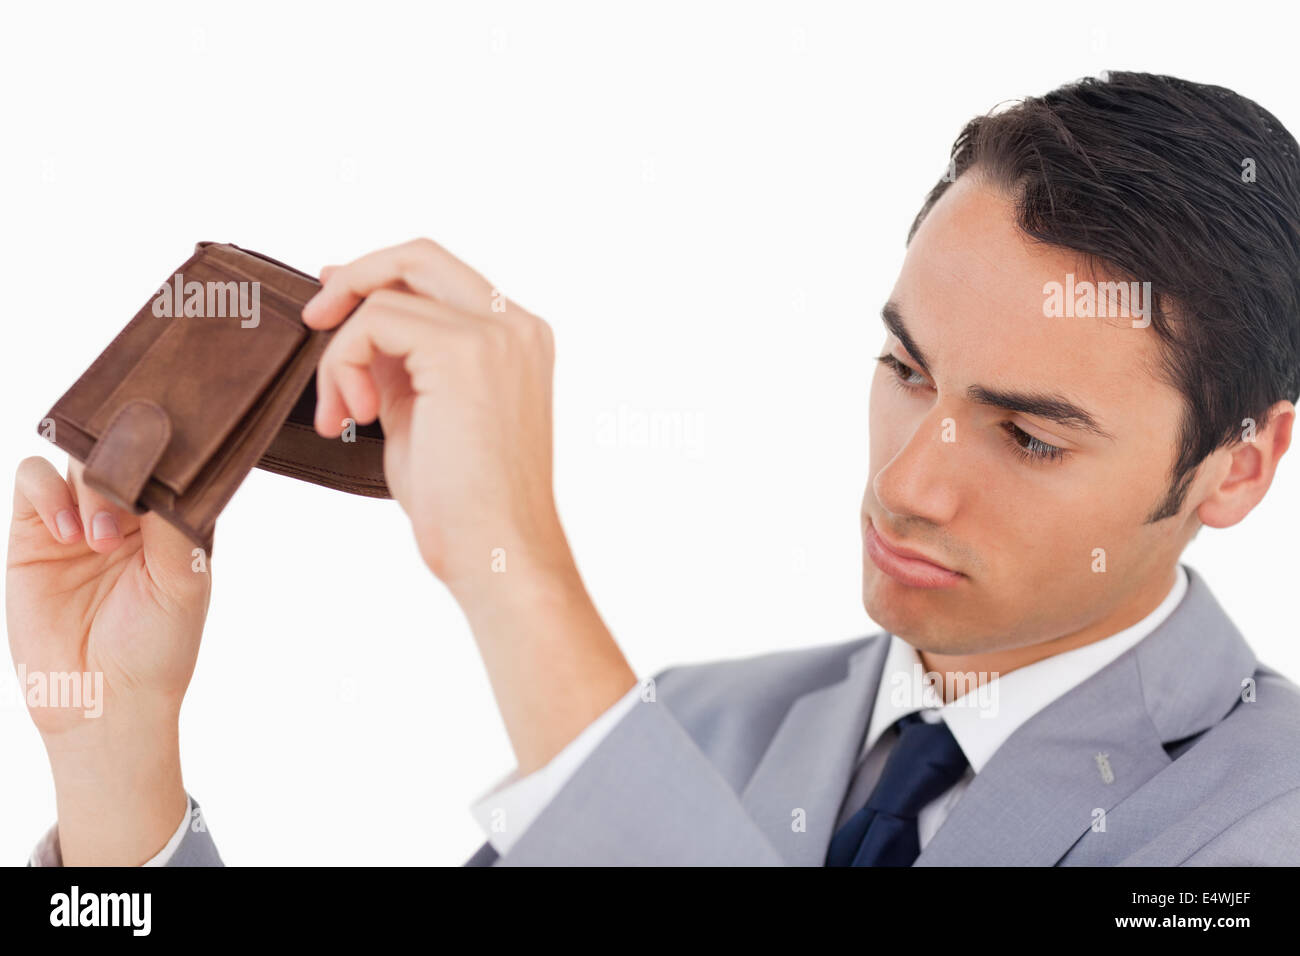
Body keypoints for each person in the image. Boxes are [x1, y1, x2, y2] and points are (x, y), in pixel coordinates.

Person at [11, 71, 1300, 866]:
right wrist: (116, 765)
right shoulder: (695, 725)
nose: (911, 483)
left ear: (1236, 475)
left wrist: (515, 569)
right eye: (906, 370)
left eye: (1028, 437)